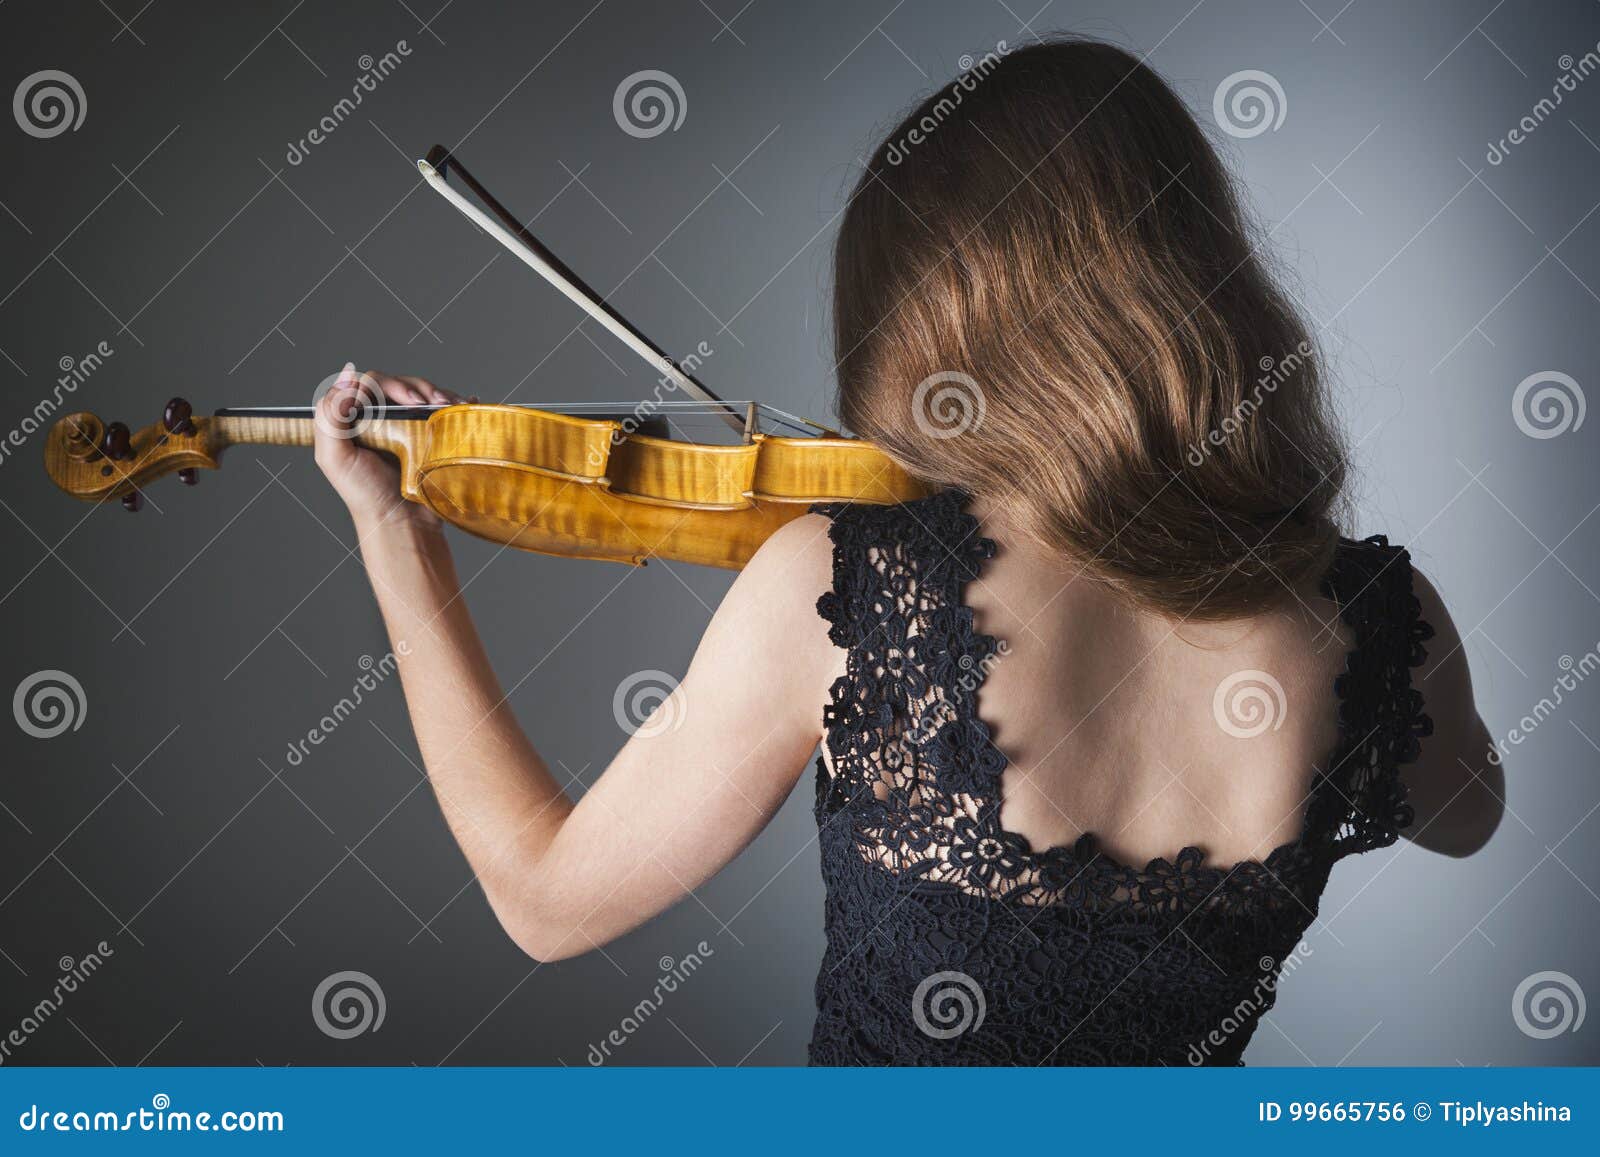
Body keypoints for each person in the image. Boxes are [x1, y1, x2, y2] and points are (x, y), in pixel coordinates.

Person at [312, 38, 1502, 1065]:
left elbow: (543, 901)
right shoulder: (1380, 622)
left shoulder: (845, 583)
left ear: (933, 322)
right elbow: (1468, 812)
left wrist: (397, 535)